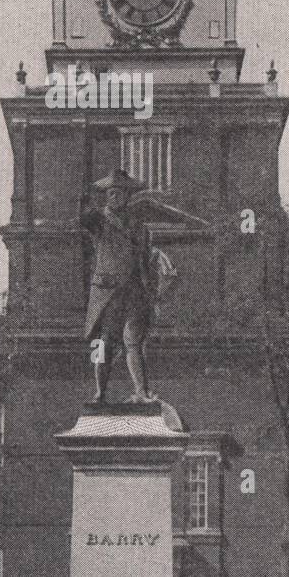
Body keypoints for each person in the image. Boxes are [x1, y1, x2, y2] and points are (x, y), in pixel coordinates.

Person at [81, 169, 177, 405]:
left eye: (120, 193)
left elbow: (145, 262)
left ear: (128, 196)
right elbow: (84, 220)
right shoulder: (99, 221)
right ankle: (100, 393)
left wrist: (151, 294)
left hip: (134, 292)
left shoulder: (140, 228)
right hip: (108, 293)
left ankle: (142, 392)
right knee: (104, 344)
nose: (115, 197)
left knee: (134, 342)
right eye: (111, 193)